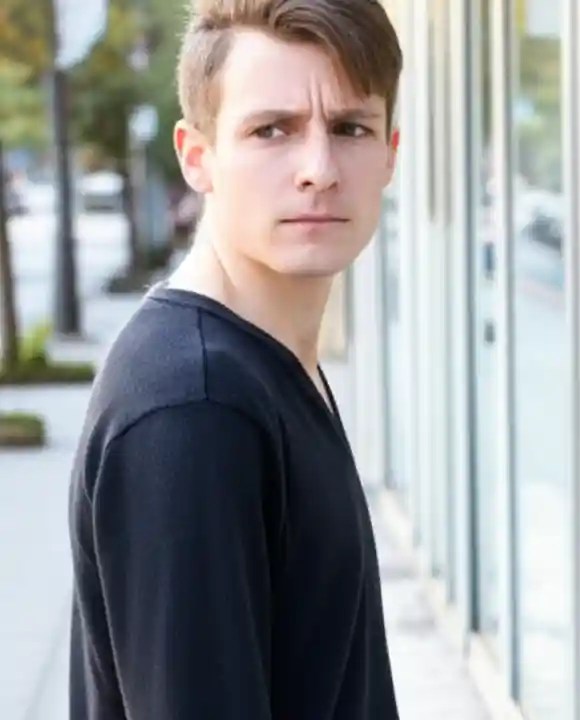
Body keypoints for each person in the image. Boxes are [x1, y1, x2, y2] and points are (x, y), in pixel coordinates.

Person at [67, 1, 402, 717]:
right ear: (197, 156)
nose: (318, 169)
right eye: (271, 129)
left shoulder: (263, 364)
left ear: (390, 153)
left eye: (350, 128)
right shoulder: (195, 407)